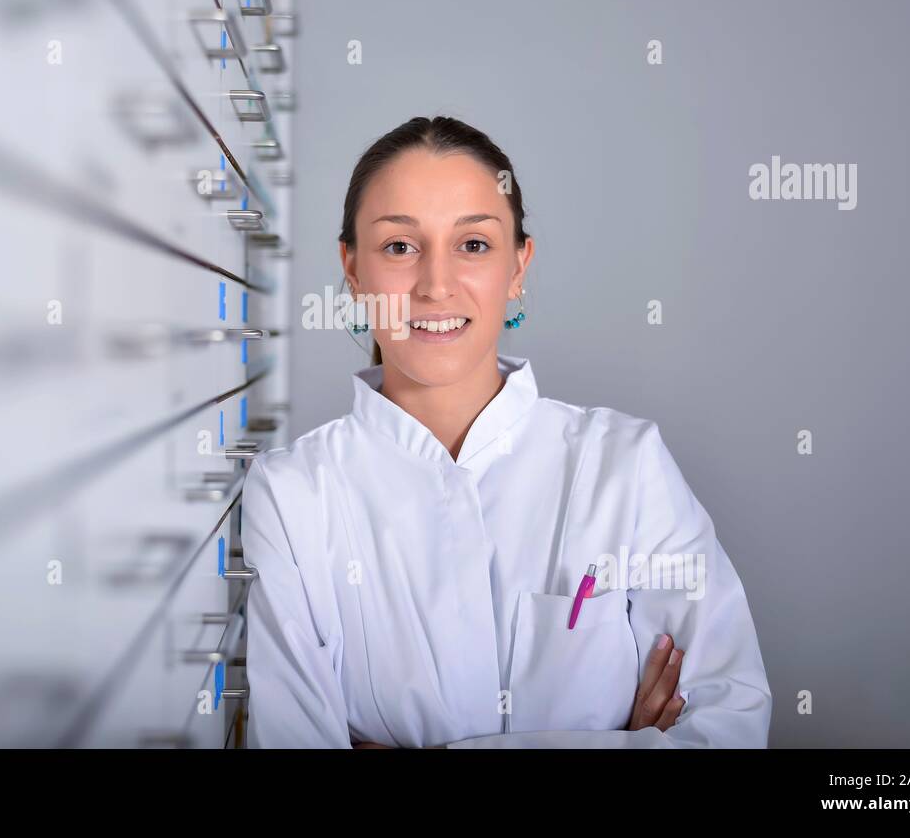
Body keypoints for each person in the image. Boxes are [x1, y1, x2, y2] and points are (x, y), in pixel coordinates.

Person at [241, 116, 772, 748]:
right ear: (351, 269)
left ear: (518, 266)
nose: (436, 286)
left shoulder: (626, 465)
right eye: (399, 247)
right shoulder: (293, 495)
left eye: (473, 245)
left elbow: (728, 729)